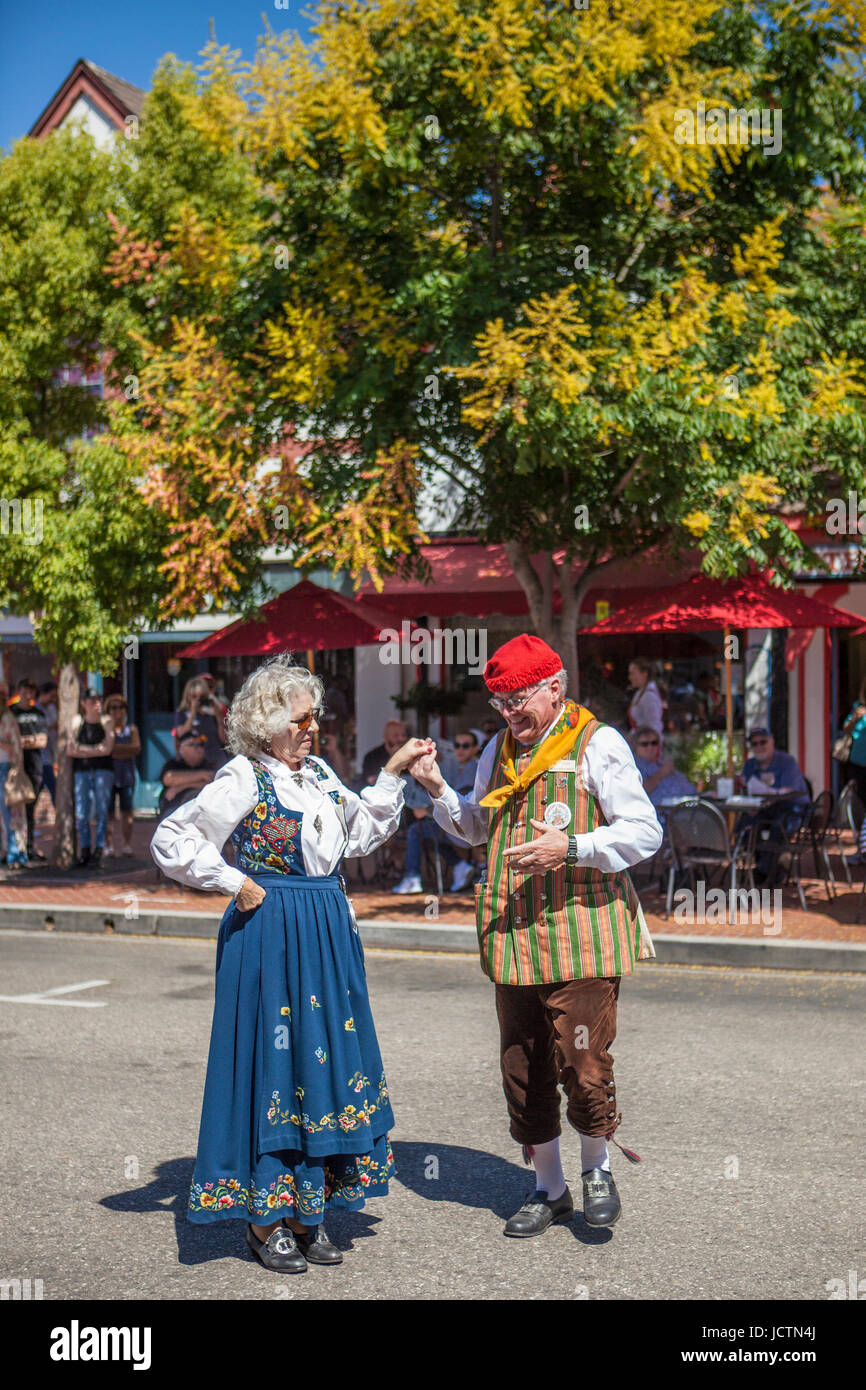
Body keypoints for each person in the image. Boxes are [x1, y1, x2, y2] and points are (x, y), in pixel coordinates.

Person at [150, 655, 431, 1272]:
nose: (312, 729)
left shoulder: (323, 775)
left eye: (314, 719)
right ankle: (264, 1219)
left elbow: (356, 837)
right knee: (273, 1067)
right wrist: (232, 881)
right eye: (301, 720)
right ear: (268, 723)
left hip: (328, 933)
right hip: (270, 934)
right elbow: (172, 837)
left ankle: (310, 1211)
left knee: (323, 1065)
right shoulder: (244, 777)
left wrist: (390, 774)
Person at [409, 634, 661, 1236]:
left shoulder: (598, 743)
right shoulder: (496, 747)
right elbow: (475, 828)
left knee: (584, 1059)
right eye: (499, 702)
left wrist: (571, 846)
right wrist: (438, 787)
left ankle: (597, 1170)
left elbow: (645, 832)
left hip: (584, 928)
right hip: (513, 930)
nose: (509, 713)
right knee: (522, 1064)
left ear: (555, 687)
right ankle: (549, 1189)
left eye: (519, 698)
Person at [738, 728, 810, 881]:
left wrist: (771, 793)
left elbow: (790, 791)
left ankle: (768, 871)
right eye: (754, 743)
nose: (759, 746)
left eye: (763, 742)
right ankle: (762, 866)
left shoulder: (787, 761)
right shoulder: (750, 765)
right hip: (762, 809)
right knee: (747, 825)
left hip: (790, 809)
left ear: (772, 742)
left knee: (778, 827)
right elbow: (745, 789)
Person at [70, 689, 115, 869]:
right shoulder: (77, 721)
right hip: (82, 771)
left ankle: (99, 849)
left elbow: (108, 749)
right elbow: (70, 749)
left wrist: (83, 750)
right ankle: (85, 849)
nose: (96, 703)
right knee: (81, 813)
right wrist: (96, 749)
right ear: (83, 703)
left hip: (103, 770)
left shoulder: (107, 721)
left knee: (102, 811)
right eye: (91, 700)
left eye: (98, 700)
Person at [9, 679, 48, 861]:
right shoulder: (11, 712)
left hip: (34, 766)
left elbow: (42, 740)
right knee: (13, 808)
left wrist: (20, 742)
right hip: (14, 766)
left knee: (31, 808)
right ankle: (14, 848)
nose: (27, 693)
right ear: (19, 691)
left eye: (31, 690)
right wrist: (28, 741)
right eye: (24, 690)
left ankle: (29, 847)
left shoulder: (38, 713)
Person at [631, 726, 697, 827]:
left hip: (689, 810)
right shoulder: (634, 767)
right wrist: (661, 773)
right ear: (636, 747)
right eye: (645, 744)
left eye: (654, 743)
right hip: (662, 818)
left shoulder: (663, 763)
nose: (650, 747)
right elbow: (639, 791)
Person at [104, 696, 141, 855]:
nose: (117, 711)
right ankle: (108, 845)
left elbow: (136, 748)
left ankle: (126, 844)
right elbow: (107, 749)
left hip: (126, 775)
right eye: (113, 708)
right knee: (108, 812)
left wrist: (114, 749)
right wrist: (122, 749)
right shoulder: (105, 729)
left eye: (120, 707)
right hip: (109, 774)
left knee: (127, 811)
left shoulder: (131, 729)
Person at [156, 734, 217, 819]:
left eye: (201, 744)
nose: (198, 748)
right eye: (192, 744)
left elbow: (212, 781)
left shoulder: (210, 765)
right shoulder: (173, 764)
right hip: (174, 810)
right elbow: (169, 779)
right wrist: (201, 776)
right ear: (181, 749)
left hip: (203, 813)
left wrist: (181, 786)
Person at [0, 683, 27, 866]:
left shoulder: (7, 719)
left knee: (9, 811)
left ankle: (15, 852)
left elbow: (14, 746)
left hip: (6, 769)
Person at [174, 677, 229, 768]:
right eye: (194, 696)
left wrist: (218, 716)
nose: (198, 700)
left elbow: (224, 740)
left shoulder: (212, 712)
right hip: (194, 760)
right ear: (188, 696)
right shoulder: (182, 713)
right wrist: (193, 712)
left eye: (202, 697)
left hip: (215, 758)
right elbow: (181, 733)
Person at [837, 678, 866, 808]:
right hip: (858, 761)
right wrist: (855, 718)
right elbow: (846, 729)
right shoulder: (859, 706)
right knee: (860, 796)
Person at [361, 719, 408, 785]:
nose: (400, 739)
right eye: (396, 736)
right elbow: (372, 782)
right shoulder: (372, 757)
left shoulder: (409, 756)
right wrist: (394, 757)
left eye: (403, 735)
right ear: (386, 737)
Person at [625, 658, 664, 737]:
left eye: (633, 673)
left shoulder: (649, 696)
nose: (630, 677)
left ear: (644, 674)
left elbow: (654, 725)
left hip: (646, 744)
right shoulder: (640, 693)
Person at [36, 682, 58, 805]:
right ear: (43, 694)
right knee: (53, 790)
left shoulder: (52, 709)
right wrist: (52, 726)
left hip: (51, 756)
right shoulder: (36, 710)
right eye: (51, 696)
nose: (53, 700)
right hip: (40, 759)